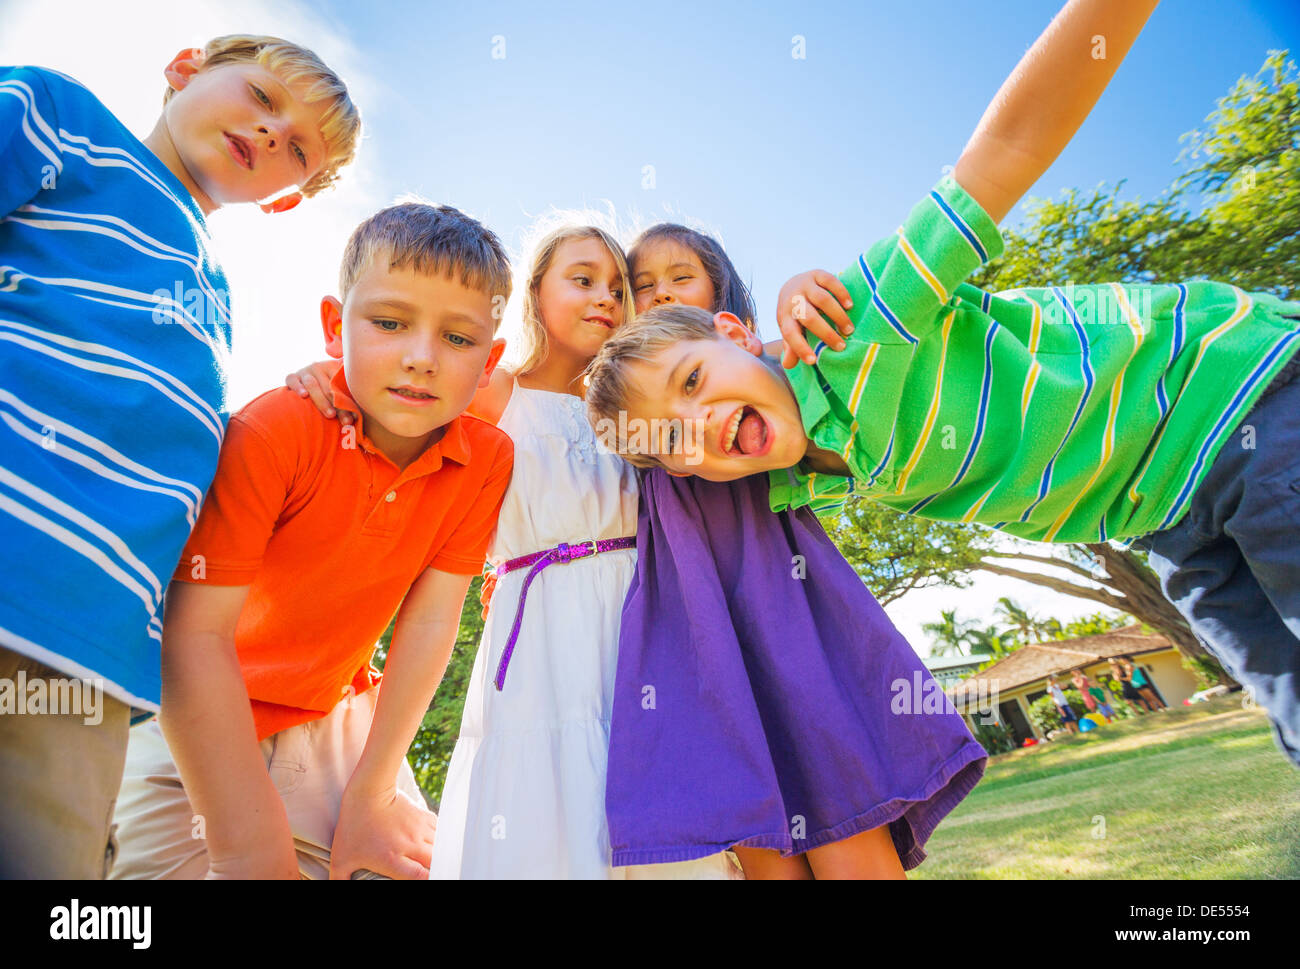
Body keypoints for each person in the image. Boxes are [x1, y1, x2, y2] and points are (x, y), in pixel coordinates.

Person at [583, 0, 1300, 767]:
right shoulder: (792, 478)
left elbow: (1007, 149)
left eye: (694, 379)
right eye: (675, 439)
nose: (703, 420)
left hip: (1228, 399)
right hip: (1164, 512)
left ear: (733, 331)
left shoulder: (851, 328)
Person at [0, 35, 360, 878]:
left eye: (299, 149)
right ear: (185, 68)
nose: (274, 134)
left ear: (285, 200)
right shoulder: (63, 118)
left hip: (94, 652)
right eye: (264, 99)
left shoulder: (216, 308)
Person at [290, 221, 742, 878]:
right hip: (537, 629)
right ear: (533, 292)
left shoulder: (629, 404)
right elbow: (402, 390)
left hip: (637, 621)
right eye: (582, 279)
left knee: (646, 788)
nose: (604, 299)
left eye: (618, 288)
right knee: (549, 795)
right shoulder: (494, 389)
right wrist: (325, 375)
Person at [110, 203, 513, 879]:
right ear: (335, 326)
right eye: (388, 323)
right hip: (193, 711)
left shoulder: (486, 460)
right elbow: (194, 635)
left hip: (339, 718)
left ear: (489, 357)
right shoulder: (278, 430)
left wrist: (373, 791)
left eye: (458, 339)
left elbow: (432, 619)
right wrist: (249, 845)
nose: (420, 358)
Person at [606, 224, 985, 878]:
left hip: (791, 619)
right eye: (643, 287)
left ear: (722, 305)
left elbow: (788, 349)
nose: (663, 293)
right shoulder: (647, 423)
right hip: (709, 642)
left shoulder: (747, 390)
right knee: (757, 816)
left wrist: (792, 289)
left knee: (833, 781)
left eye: (680, 277)